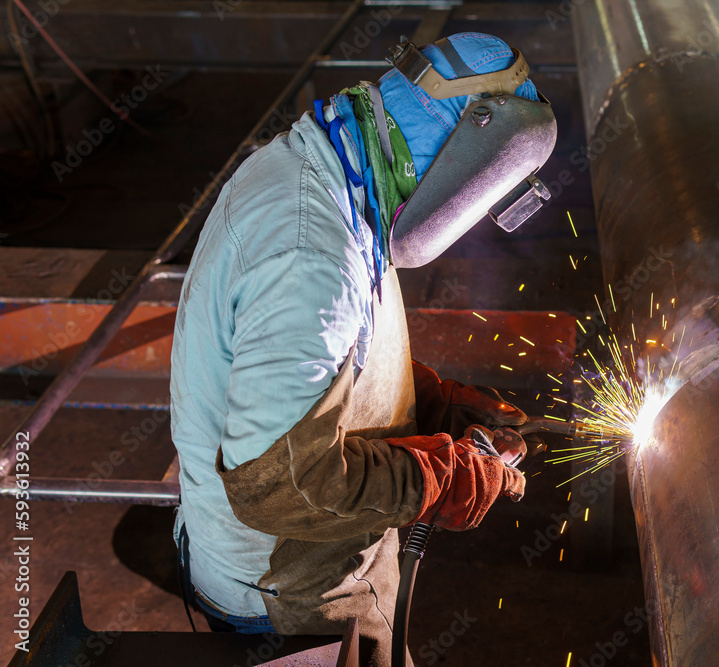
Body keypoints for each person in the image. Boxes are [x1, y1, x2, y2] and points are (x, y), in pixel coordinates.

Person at [169, 32, 555, 665]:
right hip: (285, 590)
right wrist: (440, 476)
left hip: (325, 546)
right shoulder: (310, 257)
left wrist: (428, 402)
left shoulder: (328, 165)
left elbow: (322, 357)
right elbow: (279, 487)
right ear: (462, 151)